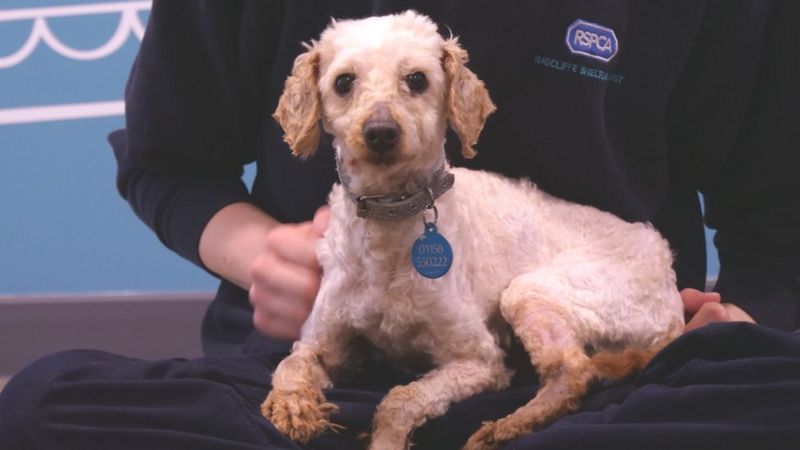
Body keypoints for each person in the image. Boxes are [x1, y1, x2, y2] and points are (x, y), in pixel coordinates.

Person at [2, 1, 799, 449]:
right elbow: (164, 162)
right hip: (320, 390)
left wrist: (745, 319)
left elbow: (776, 215)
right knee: (41, 406)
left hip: (612, 395)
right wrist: (256, 252)